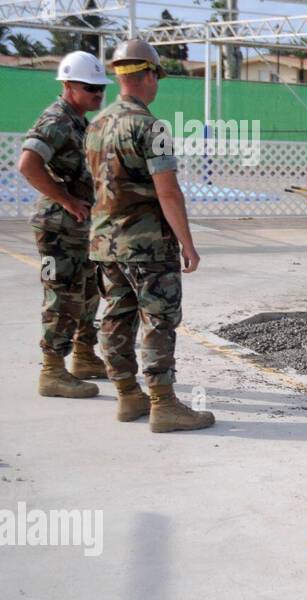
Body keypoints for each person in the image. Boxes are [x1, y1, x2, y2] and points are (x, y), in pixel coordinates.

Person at [84, 39, 213, 432]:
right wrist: (187, 244)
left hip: (106, 244)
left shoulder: (96, 124)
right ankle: (164, 404)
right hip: (148, 246)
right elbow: (167, 190)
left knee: (115, 318)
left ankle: (127, 395)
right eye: (157, 75)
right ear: (147, 74)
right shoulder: (150, 126)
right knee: (158, 321)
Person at [18, 51, 111, 398]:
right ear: (69, 85)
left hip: (79, 228)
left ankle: (84, 356)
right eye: (90, 88)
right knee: (61, 295)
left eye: (101, 89)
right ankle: (52, 371)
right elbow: (28, 164)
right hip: (58, 227)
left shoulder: (78, 120)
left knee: (87, 293)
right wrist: (66, 199)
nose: (98, 95)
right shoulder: (55, 120)